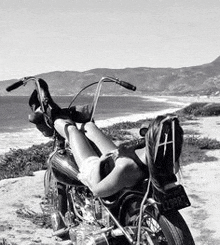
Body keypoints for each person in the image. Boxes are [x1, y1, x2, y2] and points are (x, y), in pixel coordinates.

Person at [29, 79, 184, 199]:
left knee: (71, 131)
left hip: (99, 171)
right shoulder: (170, 161)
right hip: (117, 159)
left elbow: (97, 191)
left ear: (150, 136)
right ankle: (58, 112)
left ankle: (50, 113)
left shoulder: (127, 167)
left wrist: (101, 163)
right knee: (89, 126)